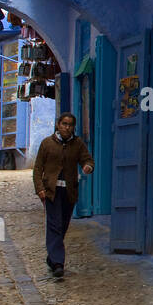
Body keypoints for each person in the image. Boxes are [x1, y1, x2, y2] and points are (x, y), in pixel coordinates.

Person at [32, 112, 94, 279]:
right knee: (55, 225)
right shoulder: (47, 144)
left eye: (70, 125)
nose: (67, 127)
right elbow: (38, 168)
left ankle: (52, 257)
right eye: (64, 124)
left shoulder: (77, 144)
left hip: (69, 192)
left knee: (63, 225)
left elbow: (87, 160)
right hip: (51, 192)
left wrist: (88, 166)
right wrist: (39, 188)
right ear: (58, 125)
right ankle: (58, 263)